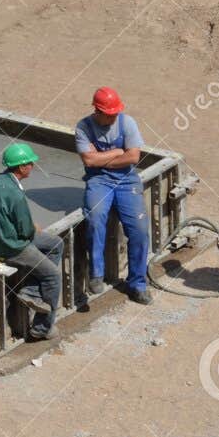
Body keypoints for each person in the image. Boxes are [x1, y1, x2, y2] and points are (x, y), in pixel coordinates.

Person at [0, 143, 62, 340]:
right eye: (31, 163)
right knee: (53, 276)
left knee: (56, 244)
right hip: (13, 246)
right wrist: (32, 229)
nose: (33, 166)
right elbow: (26, 231)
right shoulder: (16, 194)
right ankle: (42, 328)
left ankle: (32, 291)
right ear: (22, 167)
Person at [75, 86, 151, 305]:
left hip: (127, 180)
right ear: (98, 111)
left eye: (115, 112)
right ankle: (96, 273)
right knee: (95, 218)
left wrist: (102, 157)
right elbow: (88, 161)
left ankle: (137, 283)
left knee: (139, 230)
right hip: (99, 180)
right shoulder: (83, 127)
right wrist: (118, 152)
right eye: (109, 114)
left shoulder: (127, 123)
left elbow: (133, 157)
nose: (113, 116)